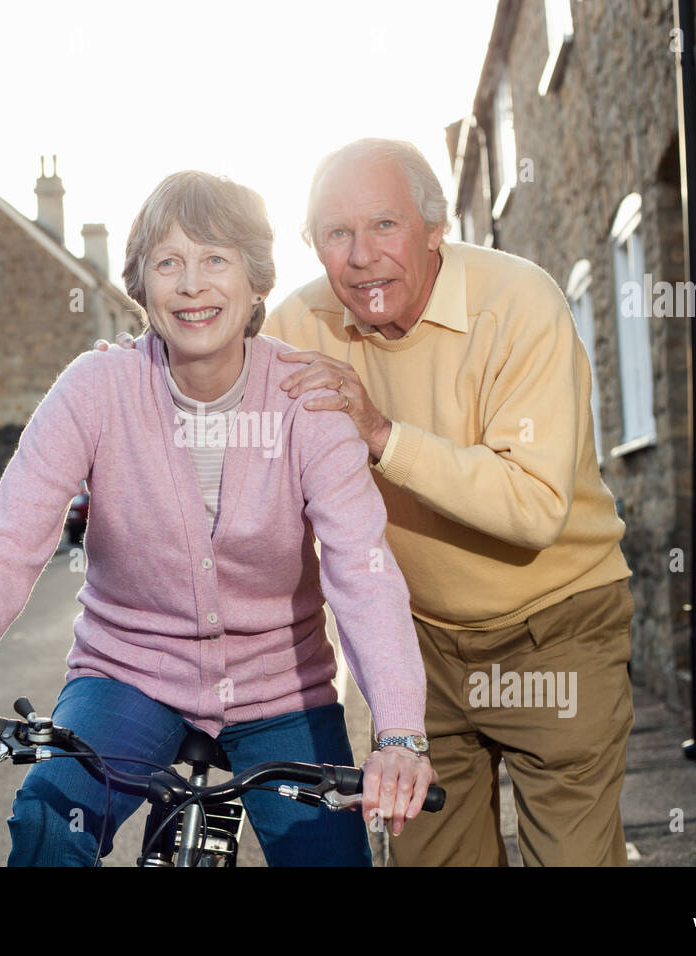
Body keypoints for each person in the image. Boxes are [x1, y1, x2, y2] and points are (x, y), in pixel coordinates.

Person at [0, 170, 434, 866]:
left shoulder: (308, 402)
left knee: (330, 858)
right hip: (128, 677)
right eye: (169, 262)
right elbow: (8, 541)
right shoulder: (96, 389)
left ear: (256, 284)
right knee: (48, 819)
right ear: (142, 287)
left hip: (282, 688)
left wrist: (400, 736)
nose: (192, 284)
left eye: (216, 259)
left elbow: (362, 574)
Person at [264, 138, 636, 866]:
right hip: (414, 649)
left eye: (384, 225)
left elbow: (532, 506)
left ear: (436, 228)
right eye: (336, 233)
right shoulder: (296, 328)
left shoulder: (518, 302)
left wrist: (381, 434)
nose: (361, 256)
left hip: (555, 629)